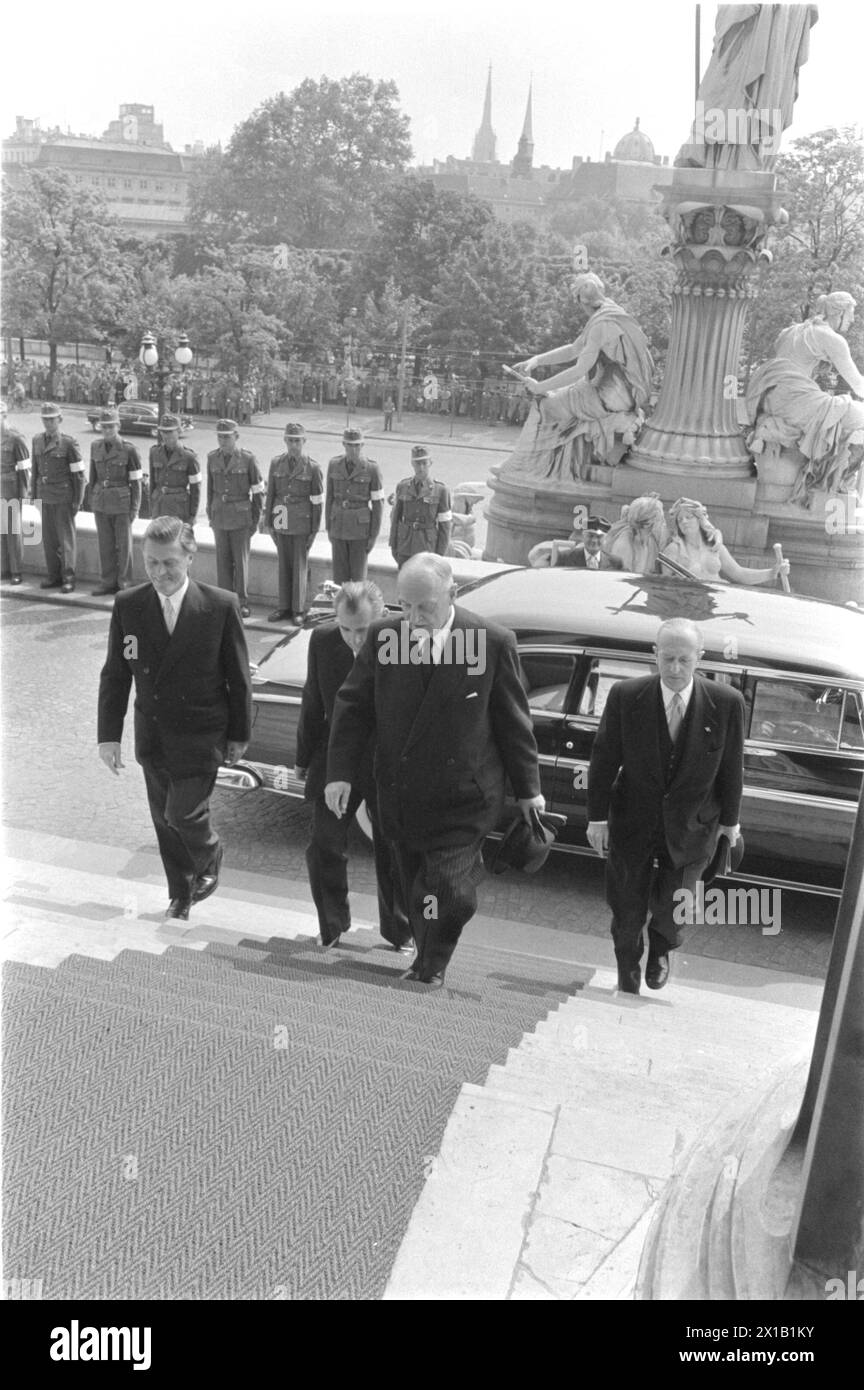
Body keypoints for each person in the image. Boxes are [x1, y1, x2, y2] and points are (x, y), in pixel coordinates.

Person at [325, 553, 544, 988]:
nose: (414, 616)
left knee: (444, 889)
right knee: (418, 890)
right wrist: (340, 772)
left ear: (453, 595)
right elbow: (353, 708)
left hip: (465, 797)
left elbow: (513, 721)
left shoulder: (490, 642)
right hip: (403, 794)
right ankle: (428, 952)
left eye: (425, 606)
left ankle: (432, 963)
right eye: (405, 605)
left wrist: (529, 790)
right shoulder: (388, 637)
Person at [97, 515, 252, 922]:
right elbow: (117, 672)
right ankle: (181, 894)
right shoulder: (129, 606)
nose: (160, 572)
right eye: (151, 563)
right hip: (154, 733)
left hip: (202, 734)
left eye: (169, 563)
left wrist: (239, 734)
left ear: (190, 557)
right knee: (163, 822)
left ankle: (210, 852)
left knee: (182, 813)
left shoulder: (220, 606)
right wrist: (108, 736)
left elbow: (238, 678)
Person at [586, 617, 745, 995]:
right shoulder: (626, 696)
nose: (675, 669)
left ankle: (661, 948)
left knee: (675, 909)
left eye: (684, 661)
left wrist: (731, 824)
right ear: (654, 655)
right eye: (667, 659)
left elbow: (732, 766)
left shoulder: (726, 704)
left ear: (700, 658)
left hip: (694, 825)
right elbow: (604, 759)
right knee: (626, 908)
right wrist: (596, 819)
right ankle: (628, 962)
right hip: (633, 821)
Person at [296, 580, 411, 953]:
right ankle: (332, 926)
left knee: (392, 850)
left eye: (363, 629)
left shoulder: (405, 643)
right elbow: (313, 701)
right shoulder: (323, 640)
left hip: (387, 762)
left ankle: (400, 932)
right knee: (323, 845)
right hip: (336, 759)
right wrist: (302, 758)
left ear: (384, 617)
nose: (354, 640)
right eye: (346, 629)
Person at [508, 273, 654, 480]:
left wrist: (539, 388)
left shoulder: (599, 325)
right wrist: (537, 360)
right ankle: (560, 467)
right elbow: (575, 349)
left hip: (611, 394)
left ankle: (527, 467)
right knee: (562, 395)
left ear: (580, 301)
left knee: (545, 404)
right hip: (624, 389)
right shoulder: (612, 312)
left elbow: (578, 368)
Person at [746, 292, 864, 506]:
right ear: (839, 312)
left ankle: (835, 485)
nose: (853, 320)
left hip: (770, 397)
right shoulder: (832, 338)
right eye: (851, 314)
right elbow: (858, 384)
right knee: (860, 417)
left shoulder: (789, 331)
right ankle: (835, 488)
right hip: (793, 399)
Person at [676, 4, 818, 172]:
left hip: (766, 30)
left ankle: (733, 153)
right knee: (716, 91)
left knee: (732, 91)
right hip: (757, 29)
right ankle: (709, 151)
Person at [263, 422, 324, 623]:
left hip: (301, 520)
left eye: (297, 441)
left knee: (299, 565)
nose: (293, 445)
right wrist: (269, 522)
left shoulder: (313, 467)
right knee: (283, 563)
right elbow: (271, 493)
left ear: (304, 441)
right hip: (281, 515)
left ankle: (298, 610)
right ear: (285, 441)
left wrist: (314, 529)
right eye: (290, 440)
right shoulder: (276, 463)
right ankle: (283, 607)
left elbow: (317, 502)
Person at [206, 419, 265, 619]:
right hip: (219, 516)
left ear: (236, 437)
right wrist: (210, 512)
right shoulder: (212, 457)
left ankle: (241, 602)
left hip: (241, 518)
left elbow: (258, 492)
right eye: (220, 437)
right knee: (222, 561)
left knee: (240, 562)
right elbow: (210, 489)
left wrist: (255, 520)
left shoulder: (248, 459)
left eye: (227, 437)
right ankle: (224, 601)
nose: (223, 440)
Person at [661, 497, 790, 585]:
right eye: (680, 519)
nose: (684, 521)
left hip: (716, 600)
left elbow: (740, 574)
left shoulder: (715, 547)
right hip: (687, 604)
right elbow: (664, 586)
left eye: (689, 517)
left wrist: (773, 573)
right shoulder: (674, 549)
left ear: (700, 520)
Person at [30, 402, 85, 593]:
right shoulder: (37, 440)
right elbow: (35, 471)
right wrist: (34, 496)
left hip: (63, 498)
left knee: (66, 541)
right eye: (45, 419)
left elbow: (79, 476)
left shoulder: (69, 443)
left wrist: (77, 501)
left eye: (51, 419)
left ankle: (68, 578)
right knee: (49, 540)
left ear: (59, 420)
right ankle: (53, 575)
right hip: (45, 497)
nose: (48, 423)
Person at [88, 408, 142, 595]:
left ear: (118, 426)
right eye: (104, 427)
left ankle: (124, 583)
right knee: (105, 544)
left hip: (121, 504)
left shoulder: (129, 449)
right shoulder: (95, 447)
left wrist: (134, 508)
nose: (107, 430)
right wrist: (91, 501)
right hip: (101, 502)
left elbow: (136, 482)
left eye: (111, 426)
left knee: (124, 545)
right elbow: (92, 477)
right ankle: (107, 582)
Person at [325, 426, 385, 583]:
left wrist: (373, 535)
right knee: (339, 579)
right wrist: (329, 527)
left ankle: (357, 609)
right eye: (350, 445)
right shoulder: (334, 465)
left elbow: (378, 505)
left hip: (360, 531)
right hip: (338, 527)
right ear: (344, 445)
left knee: (358, 580)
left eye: (357, 445)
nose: (353, 450)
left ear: (362, 445)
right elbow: (330, 498)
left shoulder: (372, 469)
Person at [389, 446, 452, 567]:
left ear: (430, 463)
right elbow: (395, 519)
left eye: (424, 463)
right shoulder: (403, 486)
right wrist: (394, 545)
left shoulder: (441, 490)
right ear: (412, 464)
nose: (421, 467)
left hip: (428, 548)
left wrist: (438, 555)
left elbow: (445, 527)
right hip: (405, 546)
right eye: (417, 463)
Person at [149, 414, 201, 524]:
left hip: (179, 509)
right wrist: (152, 505)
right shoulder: (154, 453)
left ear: (179, 431)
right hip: (159, 507)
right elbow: (153, 483)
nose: (166, 436)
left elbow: (195, 489)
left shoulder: (189, 457)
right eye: (163, 432)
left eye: (170, 432)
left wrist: (192, 515)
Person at [1, 400, 31, 585]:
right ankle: (3, 568)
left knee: (13, 532)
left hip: (11, 491)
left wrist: (23, 496)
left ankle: (16, 571)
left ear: (4, 416)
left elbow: (25, 470)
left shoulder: (15, 438)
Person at [528, 515, 624, 570]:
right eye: (590, 536)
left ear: (605, 540)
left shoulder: (616, 563)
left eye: (599, 537)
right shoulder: (564, 558)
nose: (594, 541)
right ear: (583, 536)